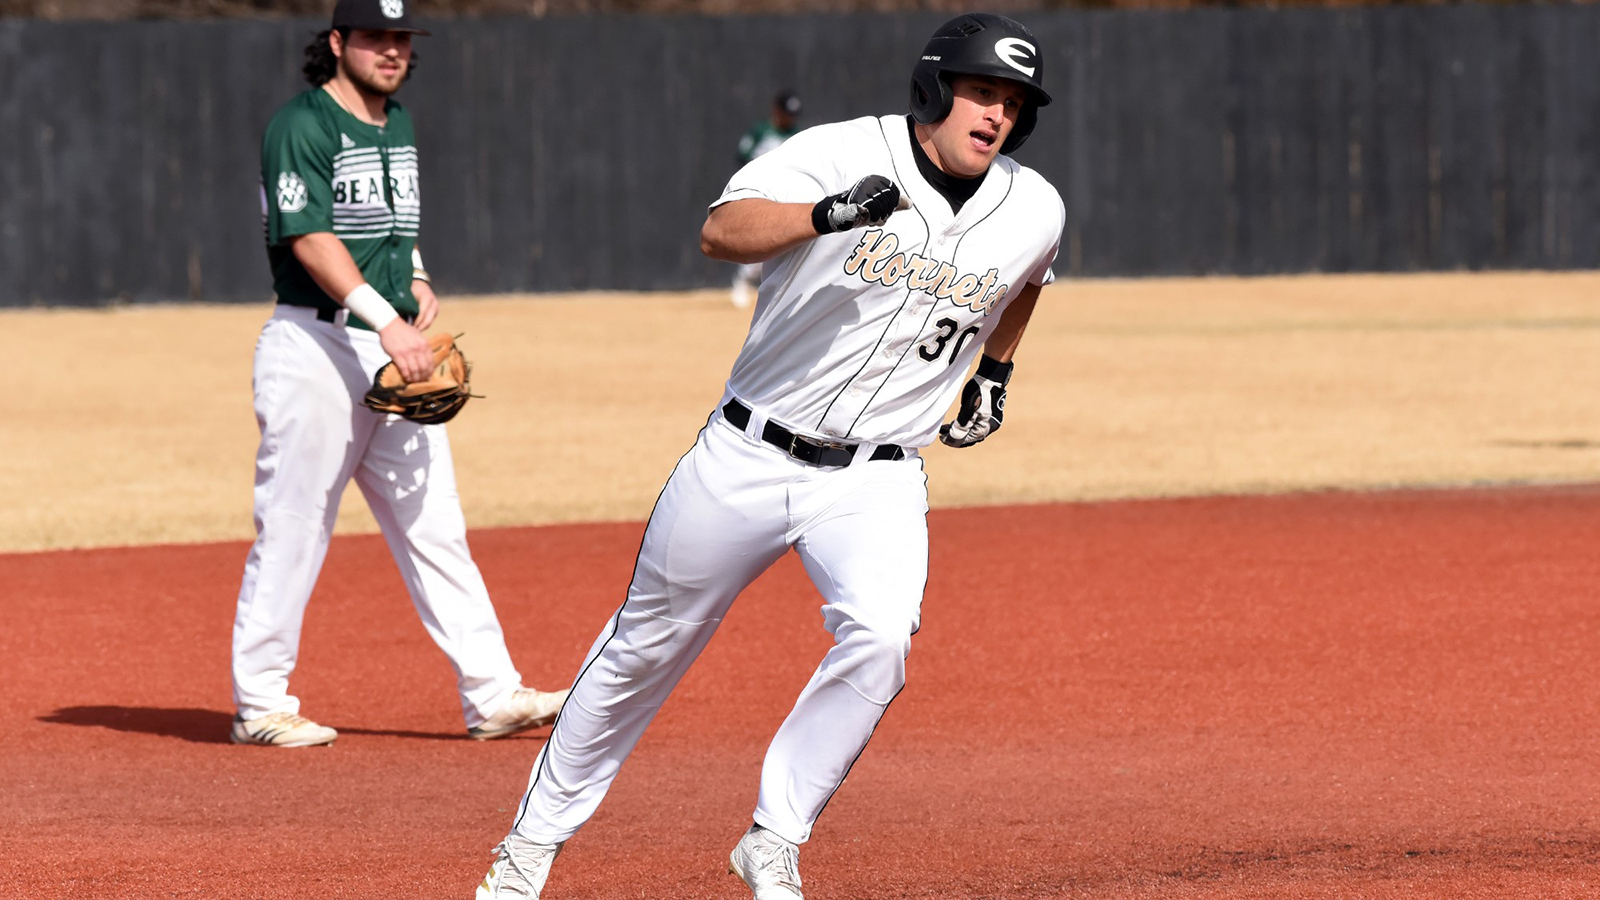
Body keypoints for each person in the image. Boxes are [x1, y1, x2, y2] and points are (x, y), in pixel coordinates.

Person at [474, 13, 1062, 899]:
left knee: (880, 638)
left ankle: (775, 836)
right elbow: (723, 231)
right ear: (936, 90)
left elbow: (1027, 279)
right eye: (982, 92)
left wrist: (997, 373)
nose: (996, 115)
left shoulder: (1035, 204)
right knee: (642, 650)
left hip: (879, 475)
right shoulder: (834, 151)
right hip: (747, 451)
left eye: (1013, 103)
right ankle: (530, 845)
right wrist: (824, 215)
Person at [232, 0, 567, 748]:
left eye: (402, 39)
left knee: (435, 526)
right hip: (316, 345)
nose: (392, 51)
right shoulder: (301, 125)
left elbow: (392, 225)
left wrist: (413, 278)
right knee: (294, 526)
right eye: (377, 37)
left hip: (391, 346)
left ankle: (492, 693)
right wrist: (381, 318)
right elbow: (311, 237)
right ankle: (260, 703)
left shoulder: (400, 123)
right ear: (338, 41)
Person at [729, 90, 802, 309]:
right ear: (776, 110)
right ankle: (742, 280)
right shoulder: (762, 131)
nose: (789, 118)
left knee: (781, 242)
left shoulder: (796, 135)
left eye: (793, 114)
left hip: (785, 194)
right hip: (760, 189)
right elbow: (743, 155)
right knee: (759, 239)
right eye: (786, 112)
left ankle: (773, 289)